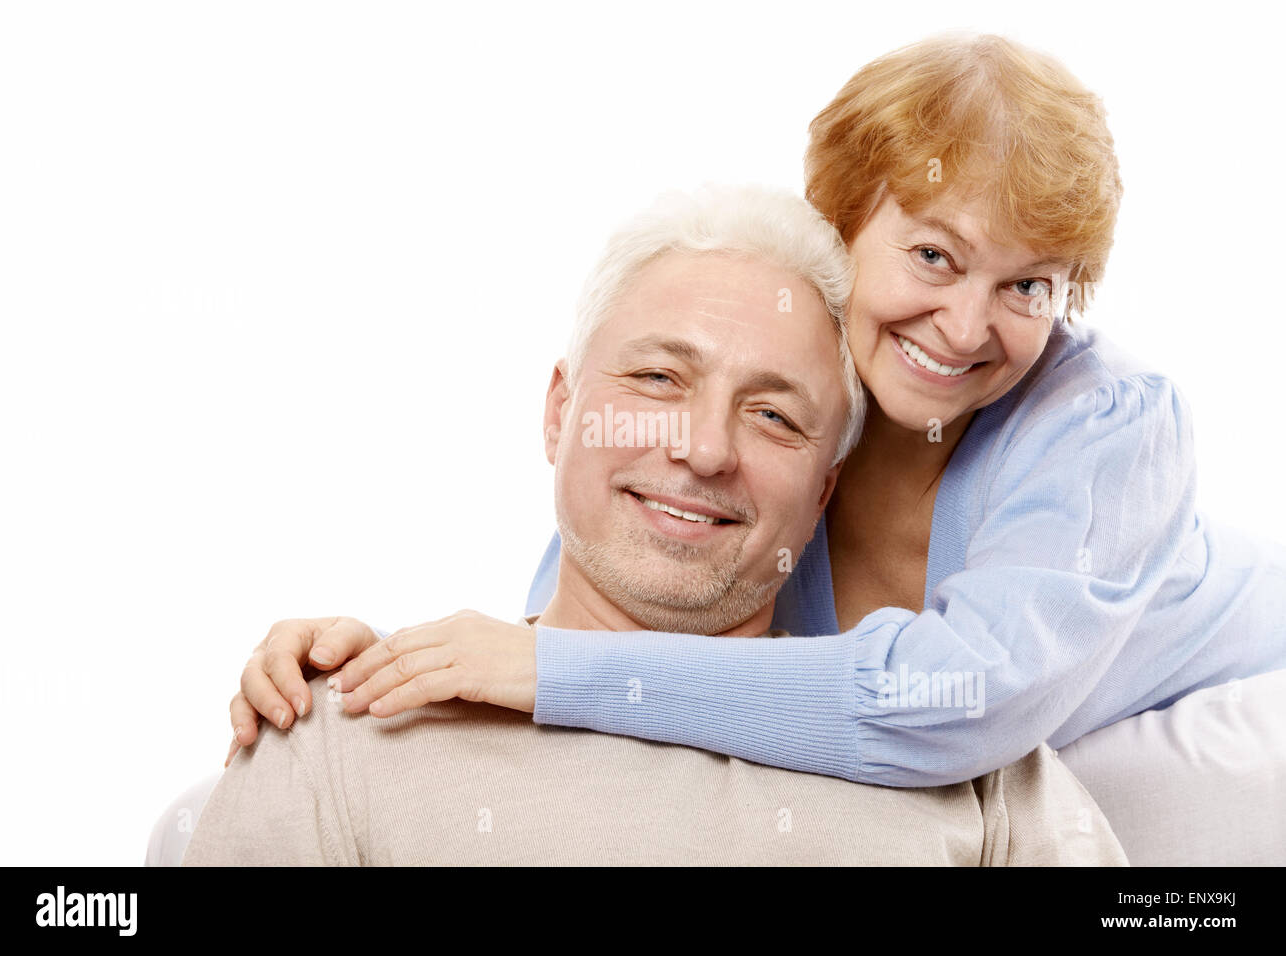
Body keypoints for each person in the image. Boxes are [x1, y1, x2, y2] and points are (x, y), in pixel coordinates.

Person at [225, 32, 1286, 788]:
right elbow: (602, 613)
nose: (967, 327)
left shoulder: (1111, 419)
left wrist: (548, 667)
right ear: (839, 221)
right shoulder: (789, 388)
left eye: (1028, 286)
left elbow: (953, 705)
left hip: (1213, 727)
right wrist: (361, 662)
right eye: (933, 255)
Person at [185, 185, 1125, 865]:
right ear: (560, 412)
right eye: (658, 380)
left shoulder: (964, 763)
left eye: (774, 416)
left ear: (826, 489)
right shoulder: (346, 740)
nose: (704, 450)